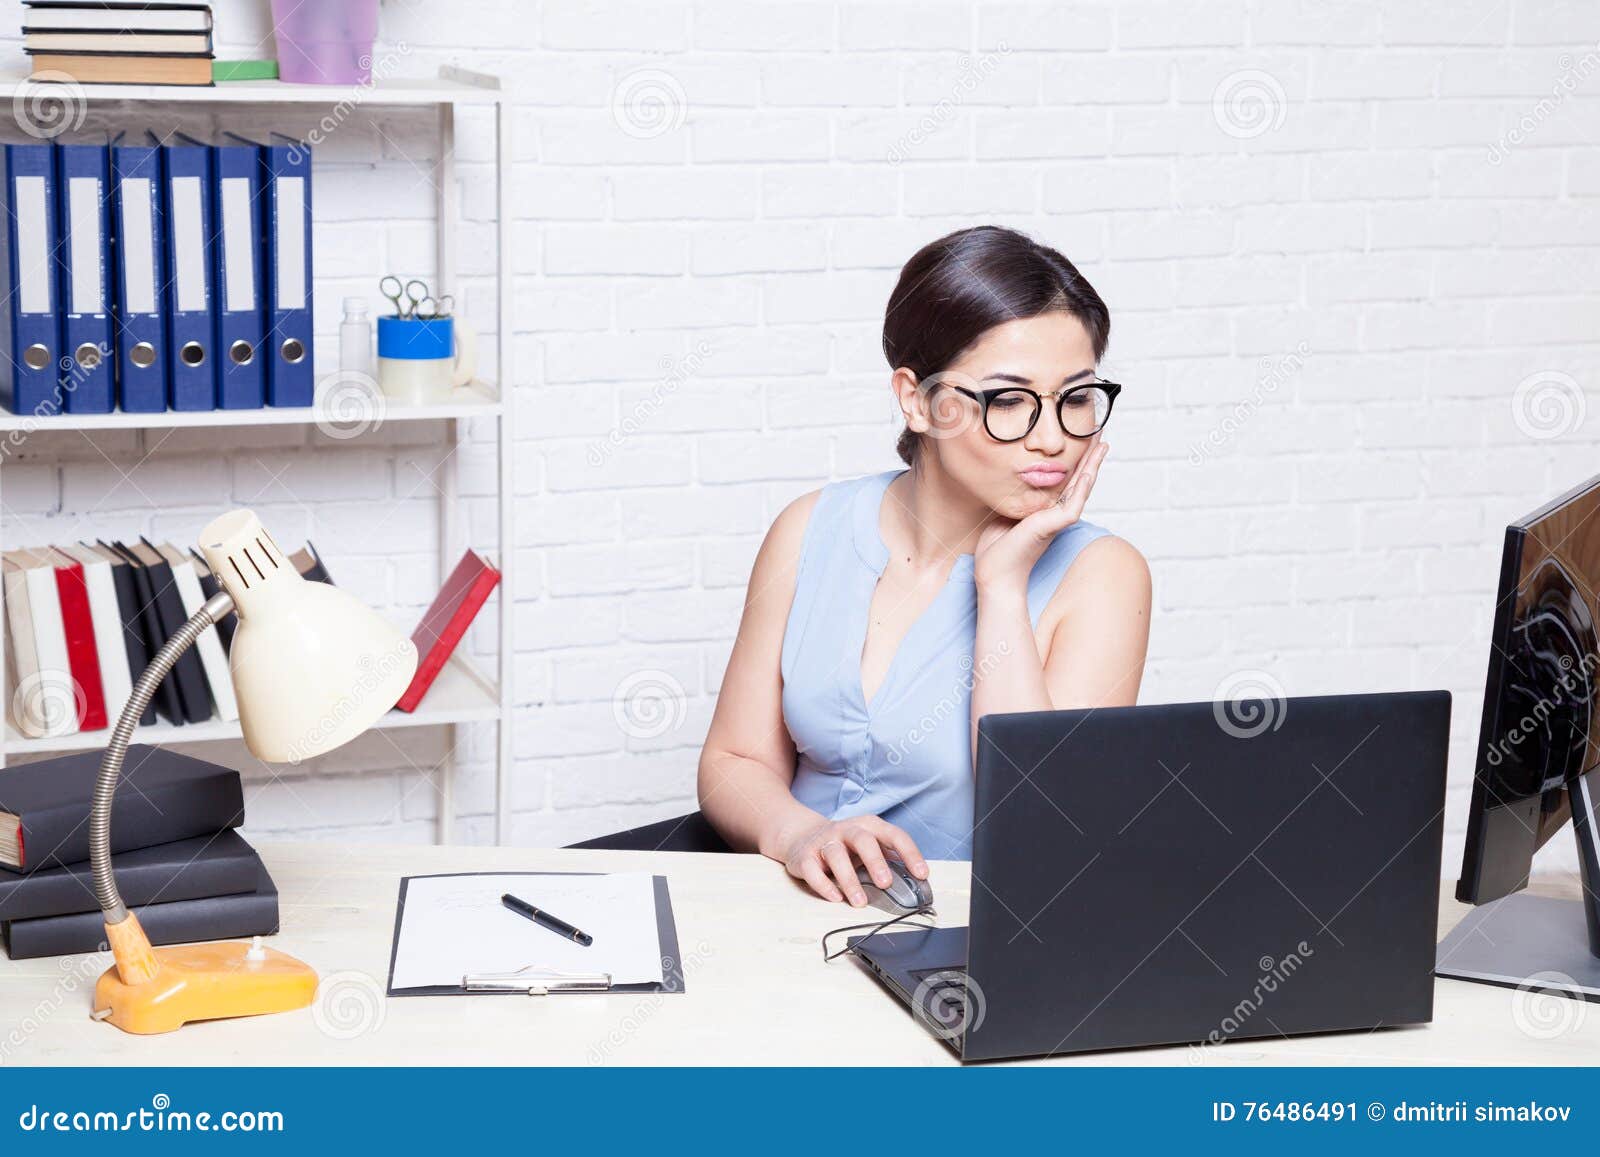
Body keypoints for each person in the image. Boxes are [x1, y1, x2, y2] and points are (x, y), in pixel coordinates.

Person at [697, 224, 1152, 905]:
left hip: (963, 952)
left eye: (1077, 398)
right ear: (916, 398)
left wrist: (1001, 589)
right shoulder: (808, 530)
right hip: (783, 918)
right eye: (1009, 401)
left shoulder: (1103, 576)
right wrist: (800, 835)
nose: (1054, 437)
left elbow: (1043, 836)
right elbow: (734, 760)